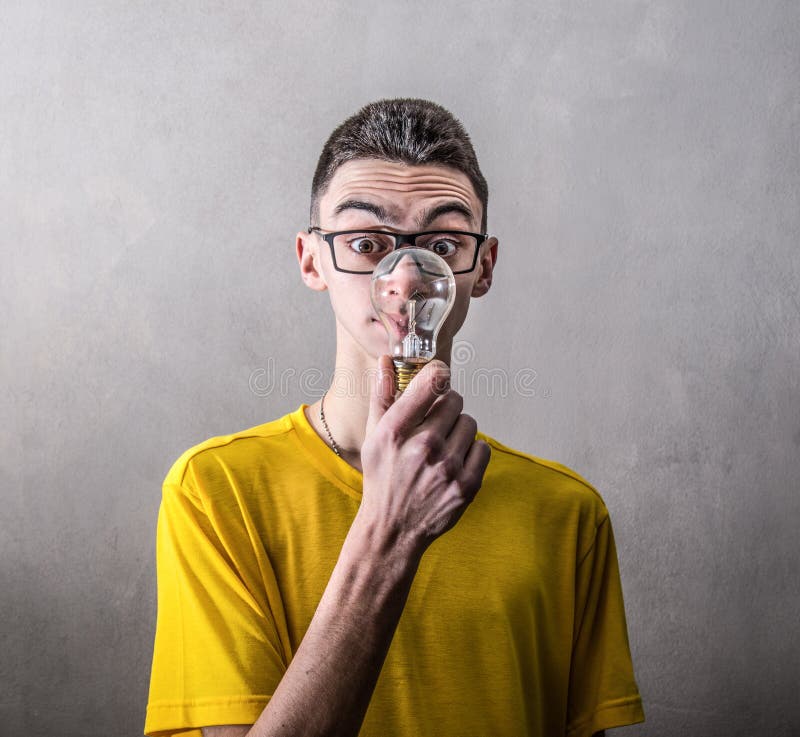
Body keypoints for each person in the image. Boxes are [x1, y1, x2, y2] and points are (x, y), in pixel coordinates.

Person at [145, 98, 645, 737]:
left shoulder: (567, 514)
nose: (405, 279)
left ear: (482, 267)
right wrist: (393, 528)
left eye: (442, 244)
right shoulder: (217, 493)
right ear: (311, 260)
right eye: (365, 243)